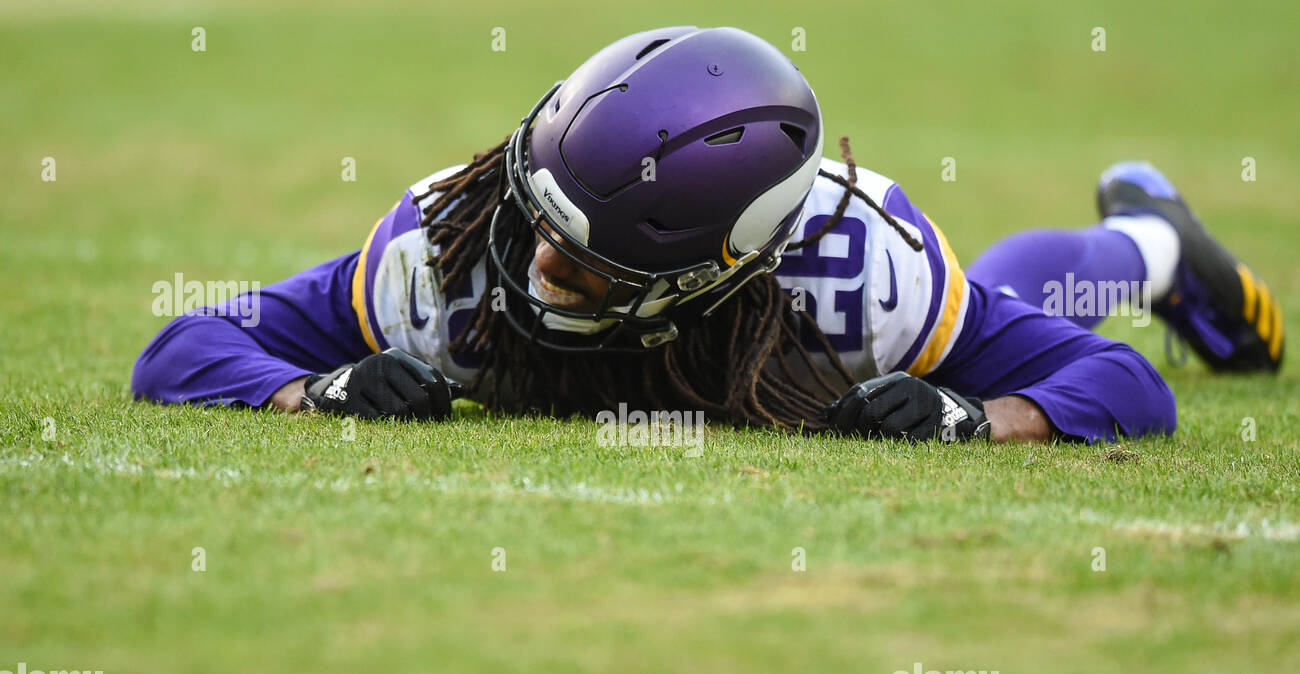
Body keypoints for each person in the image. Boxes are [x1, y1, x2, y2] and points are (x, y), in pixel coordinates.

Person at [132, 26, 1283, 444]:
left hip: (841, 302)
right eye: (544, 220)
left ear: (712, 270)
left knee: (1008, 295)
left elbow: (1126, 384)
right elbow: (184, 345)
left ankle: (1157, 244)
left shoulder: (852, 279)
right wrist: (309, 394)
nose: (535, 264)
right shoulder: (457, 256)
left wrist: (990, 417)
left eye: (585, 259)